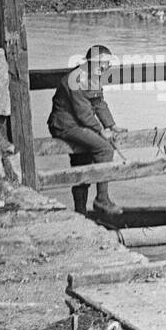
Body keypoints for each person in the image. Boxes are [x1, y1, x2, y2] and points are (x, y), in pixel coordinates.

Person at [47, 43, 122, 216]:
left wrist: (111, 125)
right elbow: (83, 112)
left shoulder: (94, 77)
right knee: (105, 149)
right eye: (103, 63)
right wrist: (100, 130)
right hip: (65, 125)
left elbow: (98, 103)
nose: (106, 67)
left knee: (82, 162)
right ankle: (102, 199)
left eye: (108, 63)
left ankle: (81, 213)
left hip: (80, 125)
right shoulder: (76, 79)